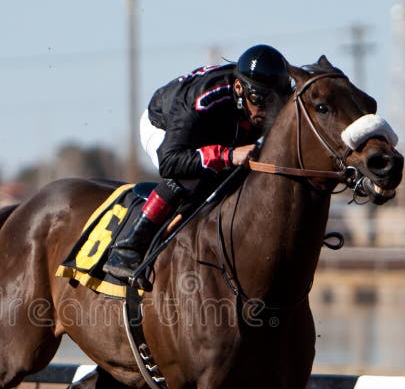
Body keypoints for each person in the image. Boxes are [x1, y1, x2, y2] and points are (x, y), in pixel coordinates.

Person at [104, 44, 292, 280]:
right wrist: (228, 155)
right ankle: (129, 247)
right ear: (238, 87)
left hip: (217, 128)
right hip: (164, 128)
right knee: (194, 175)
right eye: (259, 100)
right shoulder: (201, 100)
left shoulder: (259, 99)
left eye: (274, 101)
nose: (267, 111)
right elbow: (170, 162)